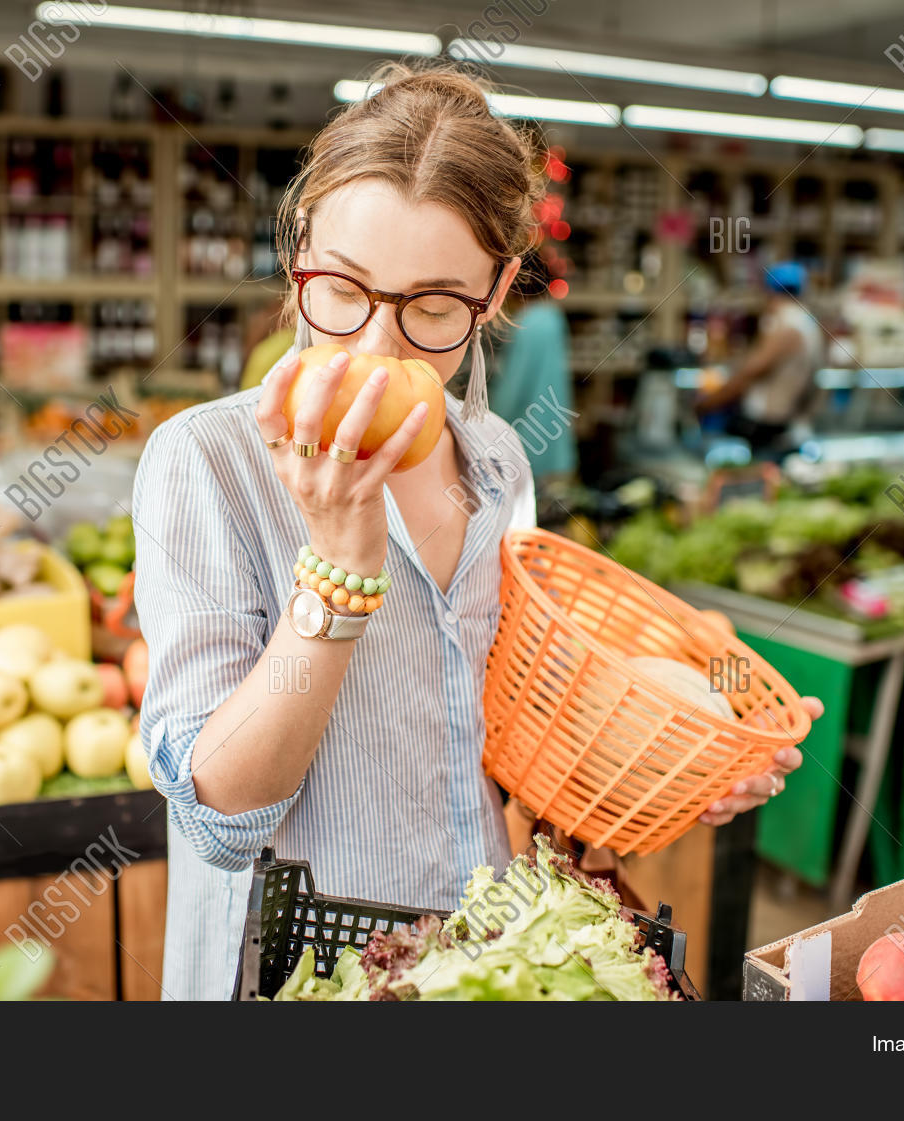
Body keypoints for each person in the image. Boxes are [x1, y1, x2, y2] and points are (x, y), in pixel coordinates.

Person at [133, 65, 817, 1001]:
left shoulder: (496, 461)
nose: (377, 350)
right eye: (343, 288)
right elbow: (219, 815)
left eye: (432, 308)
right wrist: (336, 574)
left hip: (485, 958)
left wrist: (677, 760)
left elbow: (496, 737)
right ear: (297, 251)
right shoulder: (207, 461)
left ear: (495, 292)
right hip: (299, 971)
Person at [695, 262, 824, 459]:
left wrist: (707, 404)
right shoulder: (809, 322)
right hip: (791, 420)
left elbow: (751, 371)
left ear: (769, 291)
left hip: (768, 425)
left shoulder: (786, 324)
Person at [487, 273, 577, 486]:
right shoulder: (553, 318)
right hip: (554, 435)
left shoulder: (527, 324)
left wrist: (487, 424)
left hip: (526, 443)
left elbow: (513, 389)